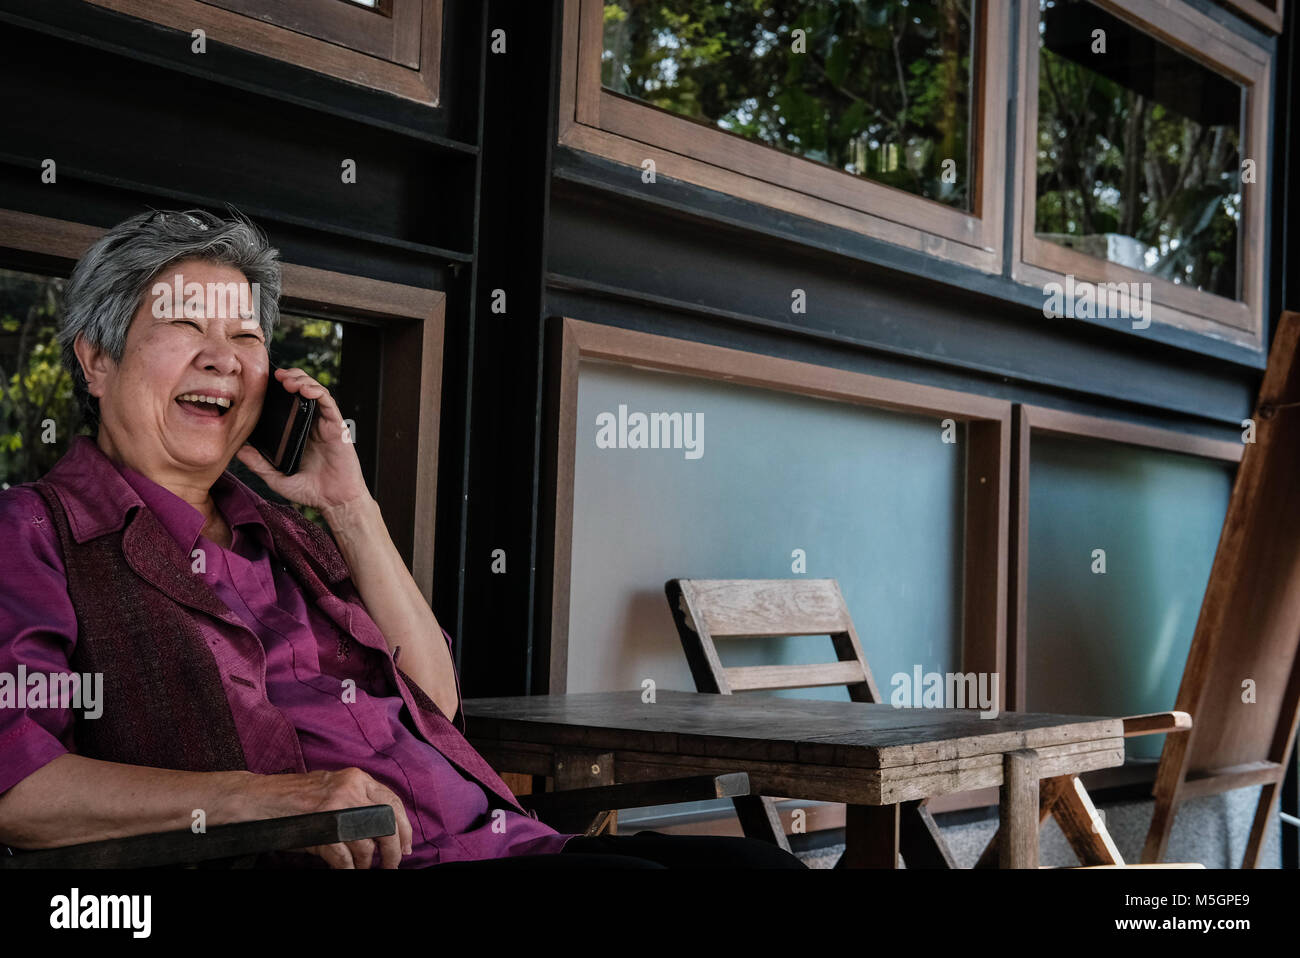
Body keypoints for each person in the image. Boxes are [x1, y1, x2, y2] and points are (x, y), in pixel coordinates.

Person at [0, 209, 805, 870]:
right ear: (97, 359)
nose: (223, 359)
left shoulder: (276, 531)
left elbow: (436, 701)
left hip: (509, 844)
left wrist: (348, 509)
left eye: (247, 337)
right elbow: (21, 790)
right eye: (183, 325)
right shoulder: (38, 533)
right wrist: (275, 800)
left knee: (761, 867)